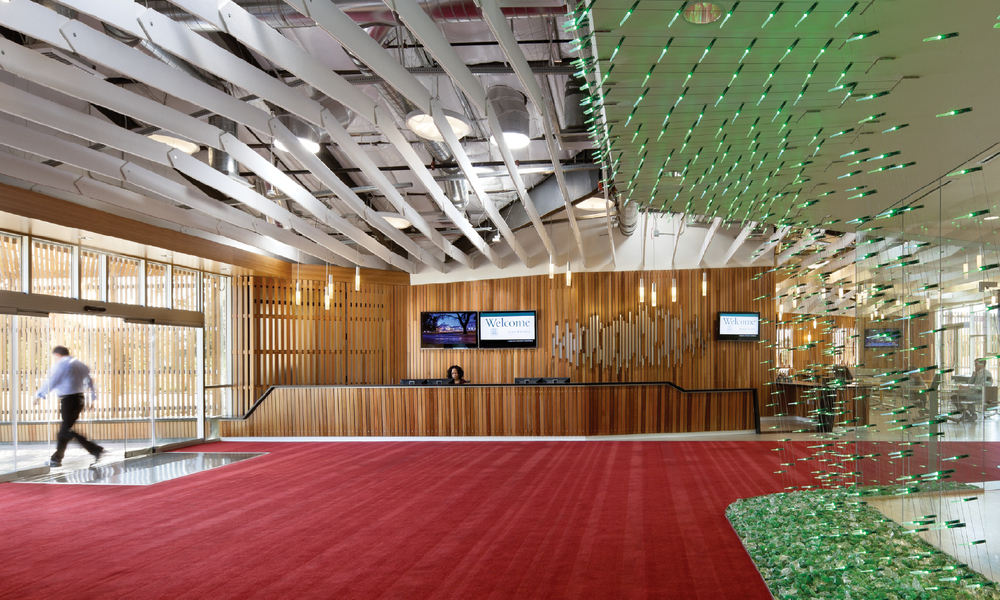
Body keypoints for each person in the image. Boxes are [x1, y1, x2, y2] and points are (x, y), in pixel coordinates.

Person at [34, 346, 104, 467]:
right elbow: (89, 382)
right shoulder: (79, 364)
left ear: (57, 354)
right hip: (78, 399)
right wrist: (91, 399)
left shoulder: (62, 364)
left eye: (55, 357)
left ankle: (94, 449)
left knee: (64, 432)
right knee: (64, 431)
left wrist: (39, 395)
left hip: (69, 401)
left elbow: (52, 381)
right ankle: (57, 459)